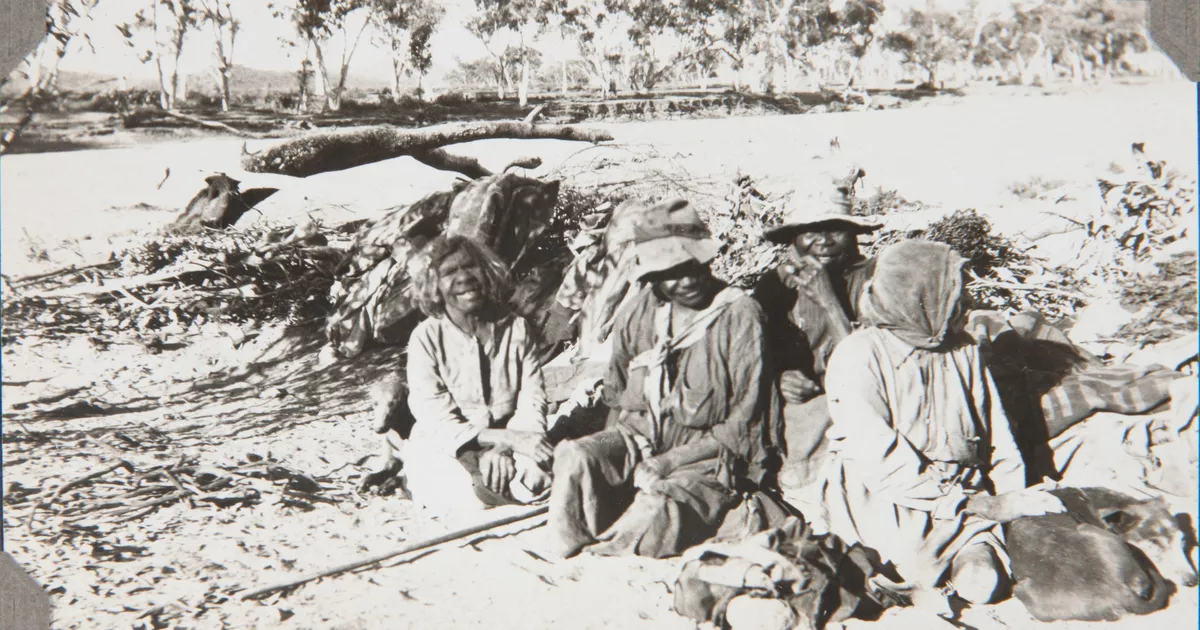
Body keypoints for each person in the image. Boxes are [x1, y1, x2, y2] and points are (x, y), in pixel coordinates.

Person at [819, 239, 1052, 608]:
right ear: (918, 296)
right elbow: (880, 462)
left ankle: (969, 553)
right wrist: (980, 506)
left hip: (966, 497)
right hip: (889, 501)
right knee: (905, 570)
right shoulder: (858, 355)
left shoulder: (963, 350)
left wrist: (1011, 501)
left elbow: (998, 438)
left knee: (983, 582)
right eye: (955, 295)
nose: (969, 305)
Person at [547, 199, 780, 559]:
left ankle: (614, 544)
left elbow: (743, 423)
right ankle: (573, 545)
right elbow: (617, 395)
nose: (688, 280)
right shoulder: (636, 313)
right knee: (575, 457)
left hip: (704, 458)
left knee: (656, 514)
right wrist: (615, 457)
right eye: (673, 271)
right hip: (641, 442)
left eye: (695, 266)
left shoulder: (738, 314)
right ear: (653, 275)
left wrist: (666, 463)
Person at [400, 234, 554, 517]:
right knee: (459, 491)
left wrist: (505, 447)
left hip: (510, 440)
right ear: (434, 286)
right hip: (451, 448)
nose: (464, 278)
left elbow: (532, 402)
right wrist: (502, 442)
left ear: (486, 271)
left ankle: (500, 488)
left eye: (470, 267)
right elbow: (440, 421)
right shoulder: (426, 338)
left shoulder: (517, 328)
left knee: (536, 478)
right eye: (449, 272)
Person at [752, 170, 880, 491]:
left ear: (853, 234)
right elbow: (753, 355)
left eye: (835, 229)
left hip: (859, 402)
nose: (824, 240)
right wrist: (778, 378)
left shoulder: (876, 279)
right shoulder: (776, 284)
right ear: (794, 238)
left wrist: (828, 300)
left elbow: (874, 369)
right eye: (811, 231)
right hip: (797, 408)